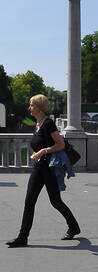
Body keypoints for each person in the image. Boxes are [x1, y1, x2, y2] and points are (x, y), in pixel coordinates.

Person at [9, 96, 82, 246]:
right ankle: (23, 237)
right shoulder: (36, 124)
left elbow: (60, 144)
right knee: (29, 202)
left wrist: (42, 151)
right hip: (38, 168)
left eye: (31, 105)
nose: (29, 107)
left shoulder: (48, 124)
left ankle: (73, 227)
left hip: (49, 169)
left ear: (39, 108)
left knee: (56, 202)